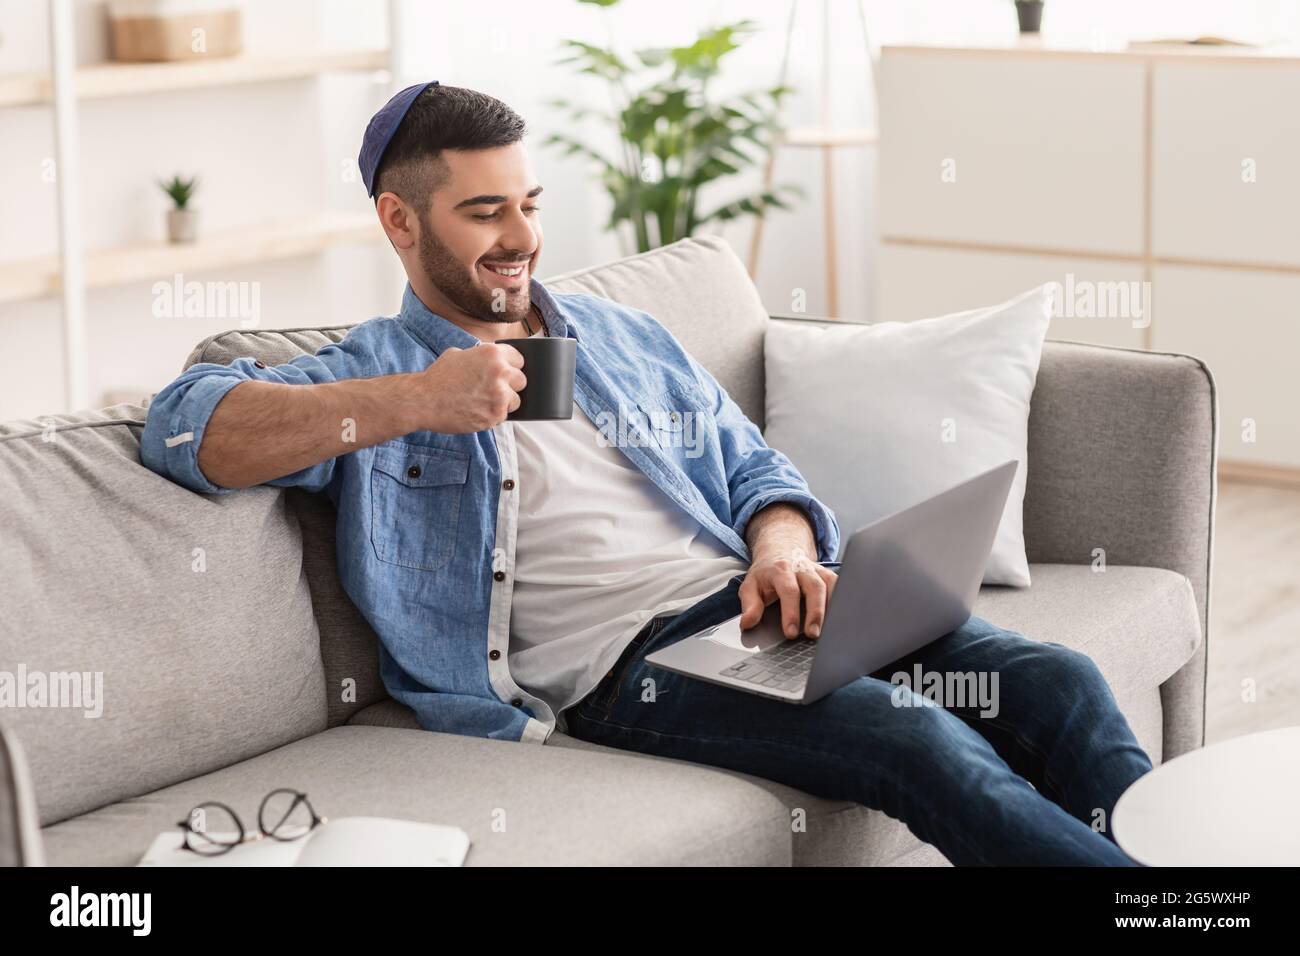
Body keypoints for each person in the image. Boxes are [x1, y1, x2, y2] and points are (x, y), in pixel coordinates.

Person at [140, 82, 1152, 865]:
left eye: (528, 203)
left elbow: (753, 464)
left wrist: (784, 544)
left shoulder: (616, 336)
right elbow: (187, 429)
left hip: (754, 606)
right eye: (484, 211)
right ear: (400, 222)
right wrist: (422, 399)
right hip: (634, 670)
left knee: (1057, 680)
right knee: (918, 740)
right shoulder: (372, 372)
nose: (522, 238)